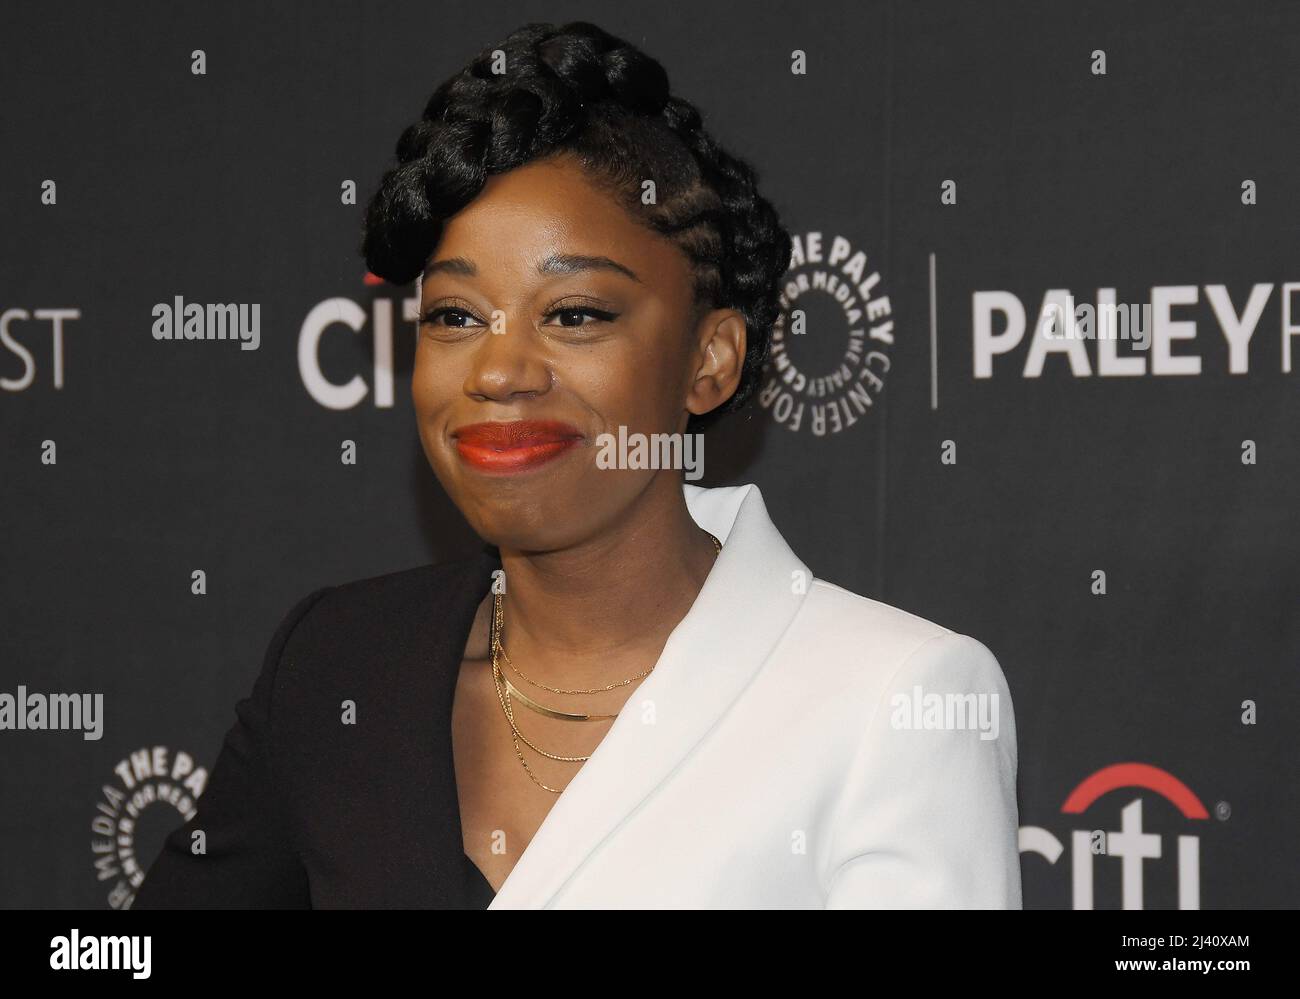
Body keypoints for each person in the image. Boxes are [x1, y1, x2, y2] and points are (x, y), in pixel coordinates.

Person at [133, 19, 1020, 909]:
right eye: (454, 316)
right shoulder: (338, 666)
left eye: (577, 313)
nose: (499, 371)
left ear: (710, 359)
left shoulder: (893, 700)